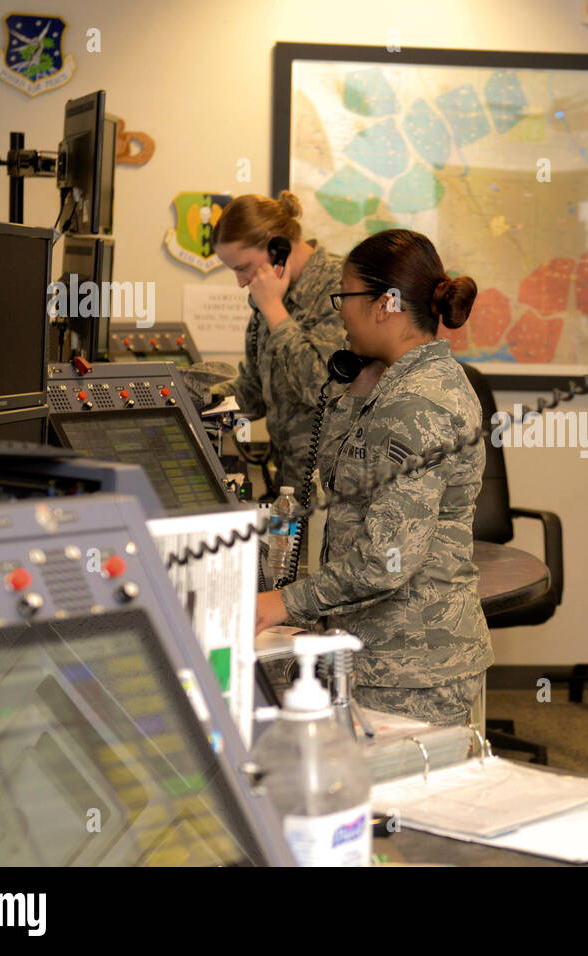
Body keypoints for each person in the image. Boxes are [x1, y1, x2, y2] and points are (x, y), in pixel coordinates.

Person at [252, 229, 492, 727]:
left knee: (399, 804)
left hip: (410, 667)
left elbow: (386, 560)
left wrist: (284, 603)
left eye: (347, 297)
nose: (341, 310)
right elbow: (345, 482)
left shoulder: (416, 403)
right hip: (386, 654)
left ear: (385, 304)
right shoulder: (396, 386)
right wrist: (355, 389)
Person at [206, 191, 347, 493]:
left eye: (243, 267)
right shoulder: (268, 296)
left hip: (334, 491)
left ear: (276, 245)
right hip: (289, 484)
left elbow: (325, 387)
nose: (241, 281)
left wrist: (274, 311)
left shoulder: (341, 286)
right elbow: (253, 393)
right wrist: (194, 402)